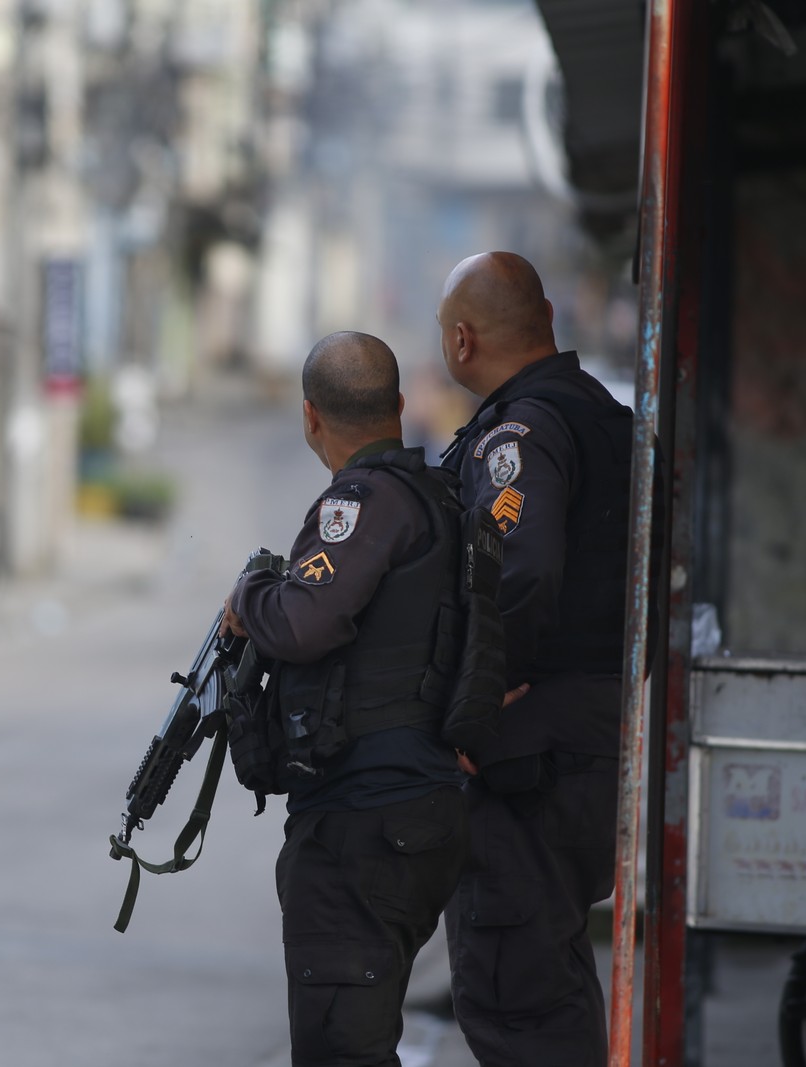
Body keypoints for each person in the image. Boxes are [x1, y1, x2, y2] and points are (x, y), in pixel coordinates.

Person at [222, 331, 496, 1067]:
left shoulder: (361, 501)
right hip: (415, 808)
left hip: (366, 820)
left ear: (311, 418)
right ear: (399, 406)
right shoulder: (438, 497)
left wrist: (250, 593)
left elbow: (305, 620)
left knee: (342, 1050)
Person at [435, 251, 635, 1066]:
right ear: (548, 320)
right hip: (587, 733)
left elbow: (518, 569)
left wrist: (471, 709)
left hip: (531, 747)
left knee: (516, 993)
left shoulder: (522, 430)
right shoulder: (602, 416)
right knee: (550, 980)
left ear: (461, 340)